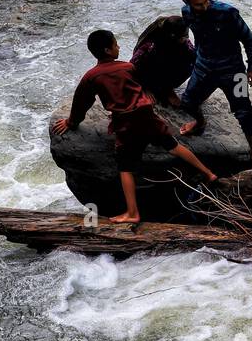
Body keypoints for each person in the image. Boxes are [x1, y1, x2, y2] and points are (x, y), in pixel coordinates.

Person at [53, 30, 218, 224]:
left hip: (126, 123)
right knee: (173, 147)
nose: (119, 47)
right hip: (146, 115)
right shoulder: (127, 67)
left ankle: (133, 212)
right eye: (116, 44)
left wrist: (71, 122)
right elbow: (142, 81)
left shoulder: (92, 76)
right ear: (108, 49)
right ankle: (209, 173)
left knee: (125, 167)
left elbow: (82, 102)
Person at [176, 0, 252, 178]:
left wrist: (251, 68)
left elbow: (249, 40)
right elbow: (197, 38)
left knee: (244, 112)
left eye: (206, 0)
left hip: (234, 70)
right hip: (204, 68)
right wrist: (195, 60)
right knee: (188, 102)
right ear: (187, 2)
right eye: (199, 4)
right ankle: (200, 123)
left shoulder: (227, 12)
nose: (205, 6)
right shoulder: (186, 13)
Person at [132, 16, 196, 106]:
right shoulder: (151, 45)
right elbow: (132, 66)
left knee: (192, 62)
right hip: (148, 73)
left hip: (165, 69)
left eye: (185, 37)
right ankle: (150, 87)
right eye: (181, 38)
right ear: (171, 36)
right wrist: (143, 87)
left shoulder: (184, 43)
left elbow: (196, 59)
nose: (185, 40)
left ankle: (167, 88)